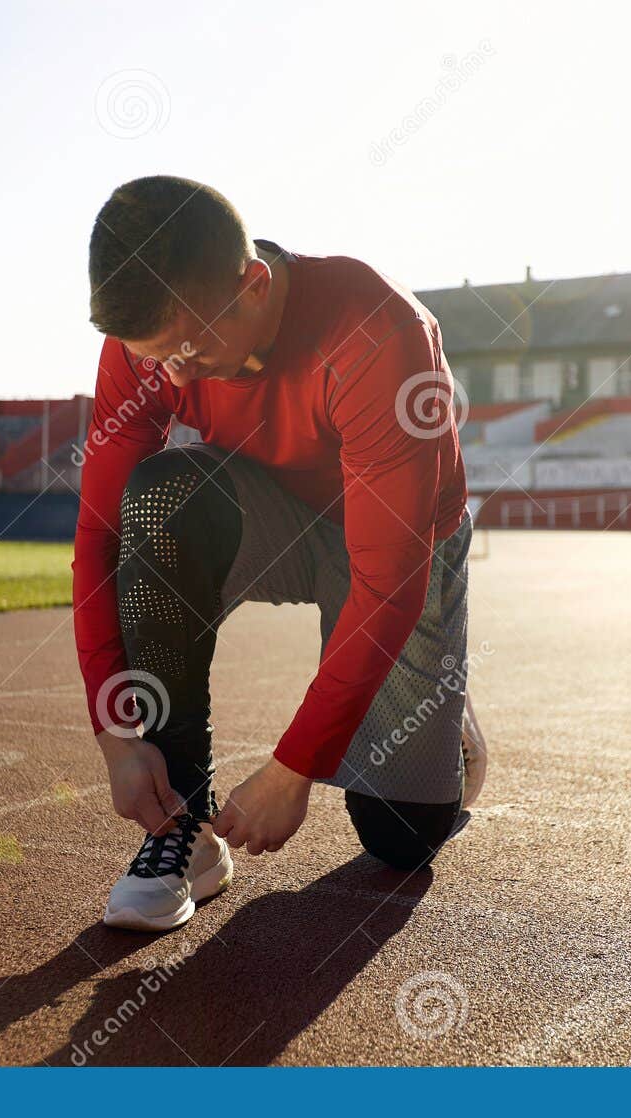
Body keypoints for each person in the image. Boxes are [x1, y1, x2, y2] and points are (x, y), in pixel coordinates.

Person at [73, 175, 488, 932]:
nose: (174, 377)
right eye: (155, 357)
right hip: (275, 513)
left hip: (398, 541)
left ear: (255, 285)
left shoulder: (378, 335)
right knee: (159, 500)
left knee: (399, 836)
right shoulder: (154, 342)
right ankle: (183, 839)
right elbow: (99, 533)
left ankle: (446, 719)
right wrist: (115, 731)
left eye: (190, 349)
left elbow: (388, 584)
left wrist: (293, 766)